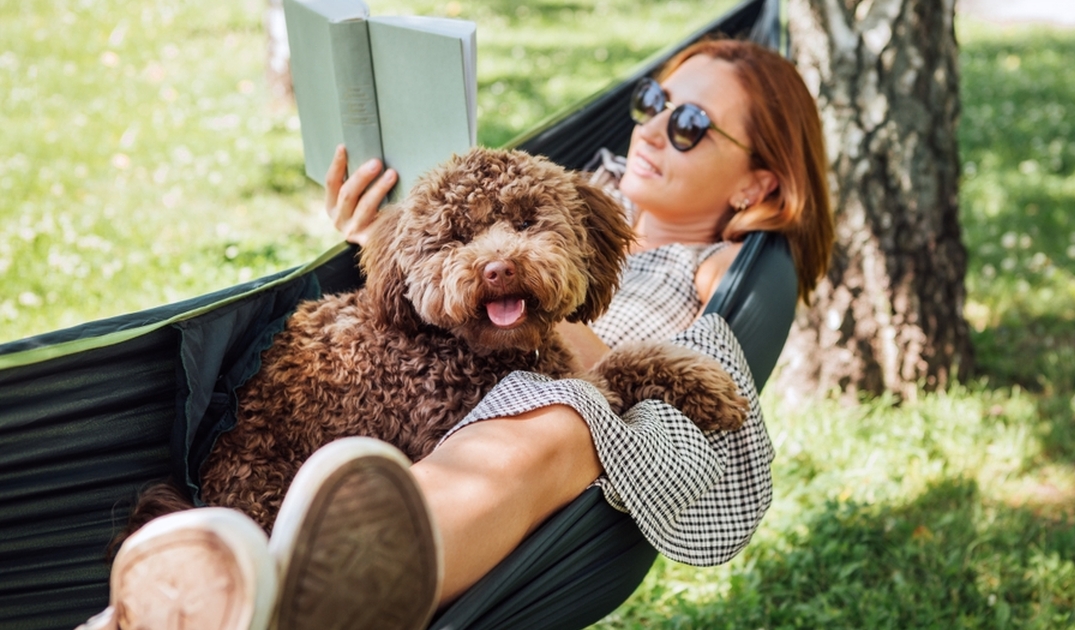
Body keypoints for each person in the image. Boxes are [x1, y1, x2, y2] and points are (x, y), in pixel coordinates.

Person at [81, 37, 833, 629]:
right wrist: (377, 235)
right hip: (403, 409)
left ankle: (300, 592)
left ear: (756, 185)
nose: (656, 130)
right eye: (653, 101)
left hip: (565, 416)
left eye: (692, 124)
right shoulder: (563, 187)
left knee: (548, 421)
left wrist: (565, 332)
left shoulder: (719, 267)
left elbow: (699, 380)